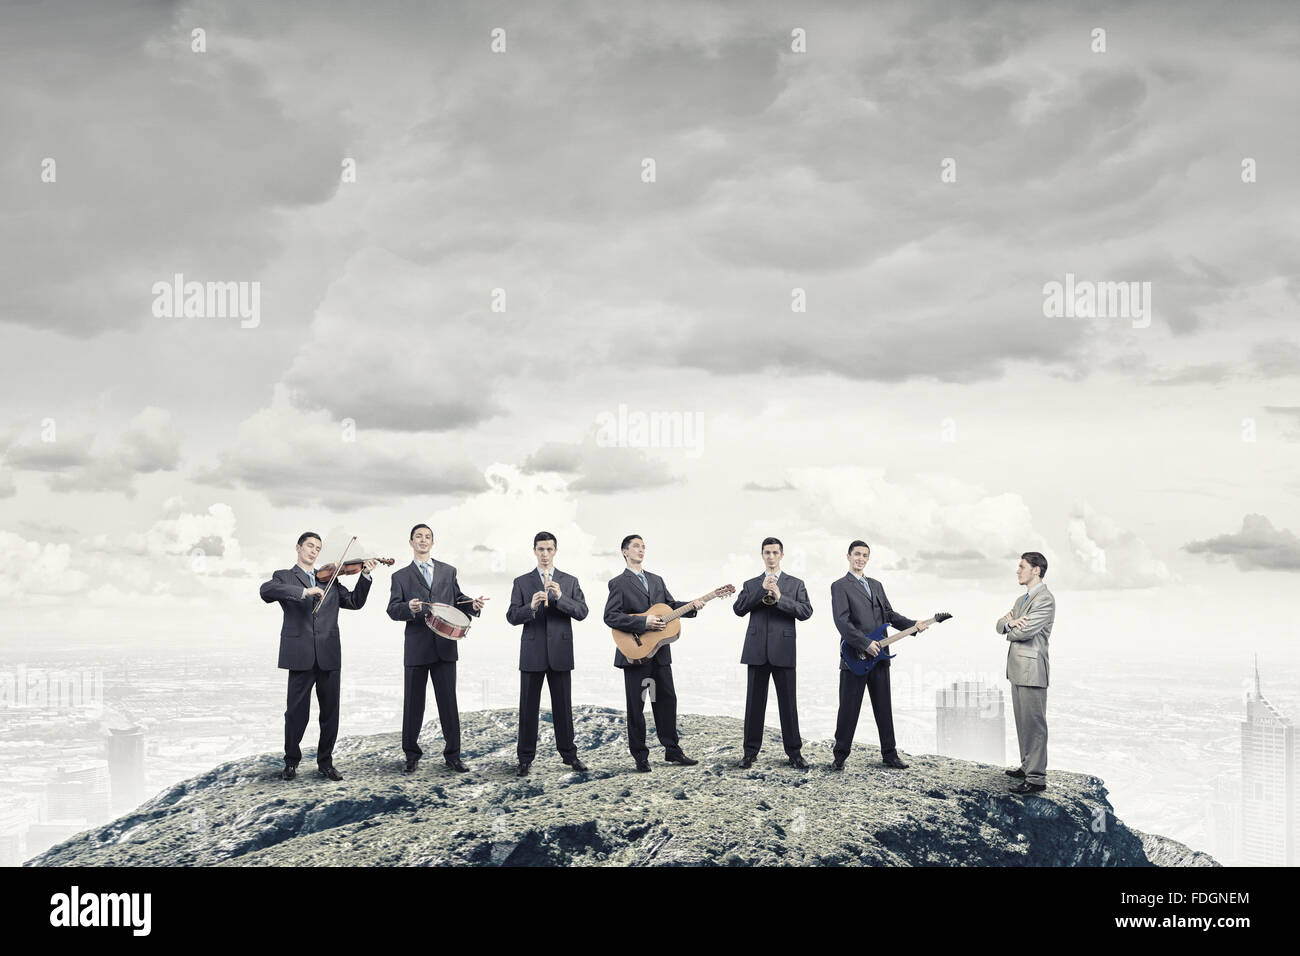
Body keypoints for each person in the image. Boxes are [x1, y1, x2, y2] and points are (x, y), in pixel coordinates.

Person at [259, 532, 374, 781]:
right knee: (296, 713)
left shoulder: (330, 579)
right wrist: (304, 592)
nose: (313, 551)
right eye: (309, 546)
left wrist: (365, 576)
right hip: (300, 653)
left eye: (318, 548)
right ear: (298, 548)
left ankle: (325, 763)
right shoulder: (285, 576)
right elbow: (266, 591)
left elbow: (355, 602)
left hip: (329, 654)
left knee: (330, 712)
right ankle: (291, 762)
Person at [387, 524, 485, 773]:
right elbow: (392, 609)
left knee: (448, 703)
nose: (423, 540)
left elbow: (458, 600)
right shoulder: (399, 576)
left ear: (433, 542)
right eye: (418, 536)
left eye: (427, 537)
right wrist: (409, 608)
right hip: (416, 648)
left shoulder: (448, 571)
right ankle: (411, 755)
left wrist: (473, 605)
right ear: (411, 542)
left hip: (445, 646)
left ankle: (453, 756)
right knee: (413, 704)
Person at [603, 534, 704, 771]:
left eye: (644, 546)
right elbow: (611, 616)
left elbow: (670, 606)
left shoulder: (657, 580)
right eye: (636, 546)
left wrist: (692, 606)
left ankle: (672, 751)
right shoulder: (618, 583)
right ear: (624, 552)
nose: (641, 550)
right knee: (637, 706)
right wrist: (644, 623)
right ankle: (640, 757)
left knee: (666, 701)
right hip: (634, 652)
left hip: (659, 653)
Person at [830, 540, 928, 770]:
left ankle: (890, 755)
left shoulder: (877, 584)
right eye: (856, 554)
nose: (860, 559)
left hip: (881, 657)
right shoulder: (839, 586)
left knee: (884, 706)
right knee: (848, 708)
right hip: (855, 657)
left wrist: (913, 624)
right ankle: (840, 756)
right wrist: (864, 644)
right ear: (848, 556)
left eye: (864, 555)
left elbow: (889, 615)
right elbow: (841, 621)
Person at [506, 531, 589, 775]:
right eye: (540, 549)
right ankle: (524, 759)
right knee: (528, 709)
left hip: (561, 653)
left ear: (555, 551)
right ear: (534, 551)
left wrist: (561, 598)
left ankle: (569, 755)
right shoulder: (521, 582)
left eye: (549, 549)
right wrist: (529, 607)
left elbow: (583, 612)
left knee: (563, 708)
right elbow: (511, 616)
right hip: (532, 653)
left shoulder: (569, 581)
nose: (545, 554)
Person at [732, 537, 813, 768]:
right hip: (756, 651)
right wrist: (761, 590)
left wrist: (780, 597)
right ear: (762, 555)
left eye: (775, 552)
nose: (771, 556)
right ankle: (749, 753)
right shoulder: (751, 584)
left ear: (781, 556)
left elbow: (806, 611)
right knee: (754, 704)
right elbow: (738, 609)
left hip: (784, 651)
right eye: (767, 552)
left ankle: (794, 753)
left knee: (789, 704)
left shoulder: (795, 584)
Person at [997, 551, 1055, 794]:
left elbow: (1025, 631)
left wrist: (1012, 626)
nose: (1017, 571)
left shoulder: (1045, 599)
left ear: (1036, 570)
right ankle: (1026, 766)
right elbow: (999, 624)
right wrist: (1010, 623)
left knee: (1034, 724)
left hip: (1032, 670)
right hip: (1018, 669)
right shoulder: (1022, 601)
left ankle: (1036, 778)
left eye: (1022, 566)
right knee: (1023, 722)